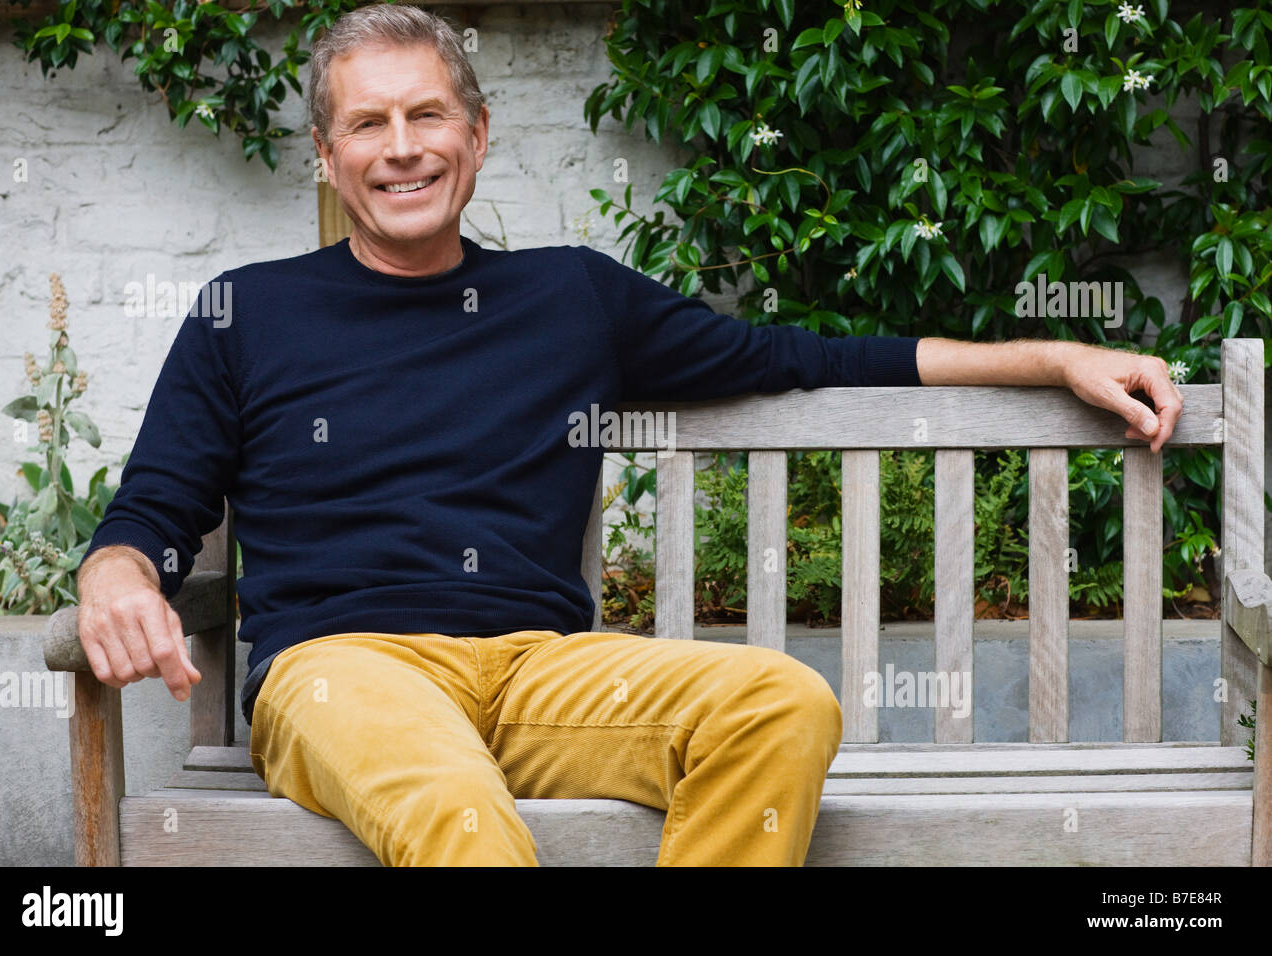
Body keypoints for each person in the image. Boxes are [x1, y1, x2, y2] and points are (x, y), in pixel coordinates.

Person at [75, 3, 1183, 866]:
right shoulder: (249, 309)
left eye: (427, 116)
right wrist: (116, 579)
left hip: (539, 675)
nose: (401, 148)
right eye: (368, 122)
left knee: (781, 701)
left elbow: (808, 357)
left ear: (478, 134)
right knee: (452, 803)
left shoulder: (572, 298)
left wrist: (1051, 356)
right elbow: (152, 512)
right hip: (340, 673)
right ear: (327, 153)